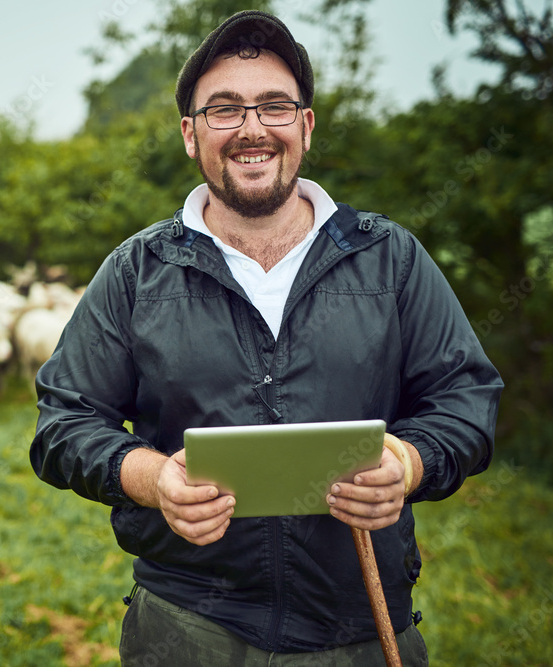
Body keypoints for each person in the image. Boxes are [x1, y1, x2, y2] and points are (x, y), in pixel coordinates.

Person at [30, 9, 503, 666]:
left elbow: (467, 396)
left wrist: (408, 464)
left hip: (362, 625)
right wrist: (152, 477)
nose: (252, 128)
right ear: (191, 136)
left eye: (274, 106)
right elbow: (64, 419)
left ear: (305, 127)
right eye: (224, 110)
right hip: (188, 623)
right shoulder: (135, 272)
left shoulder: (390, 258)